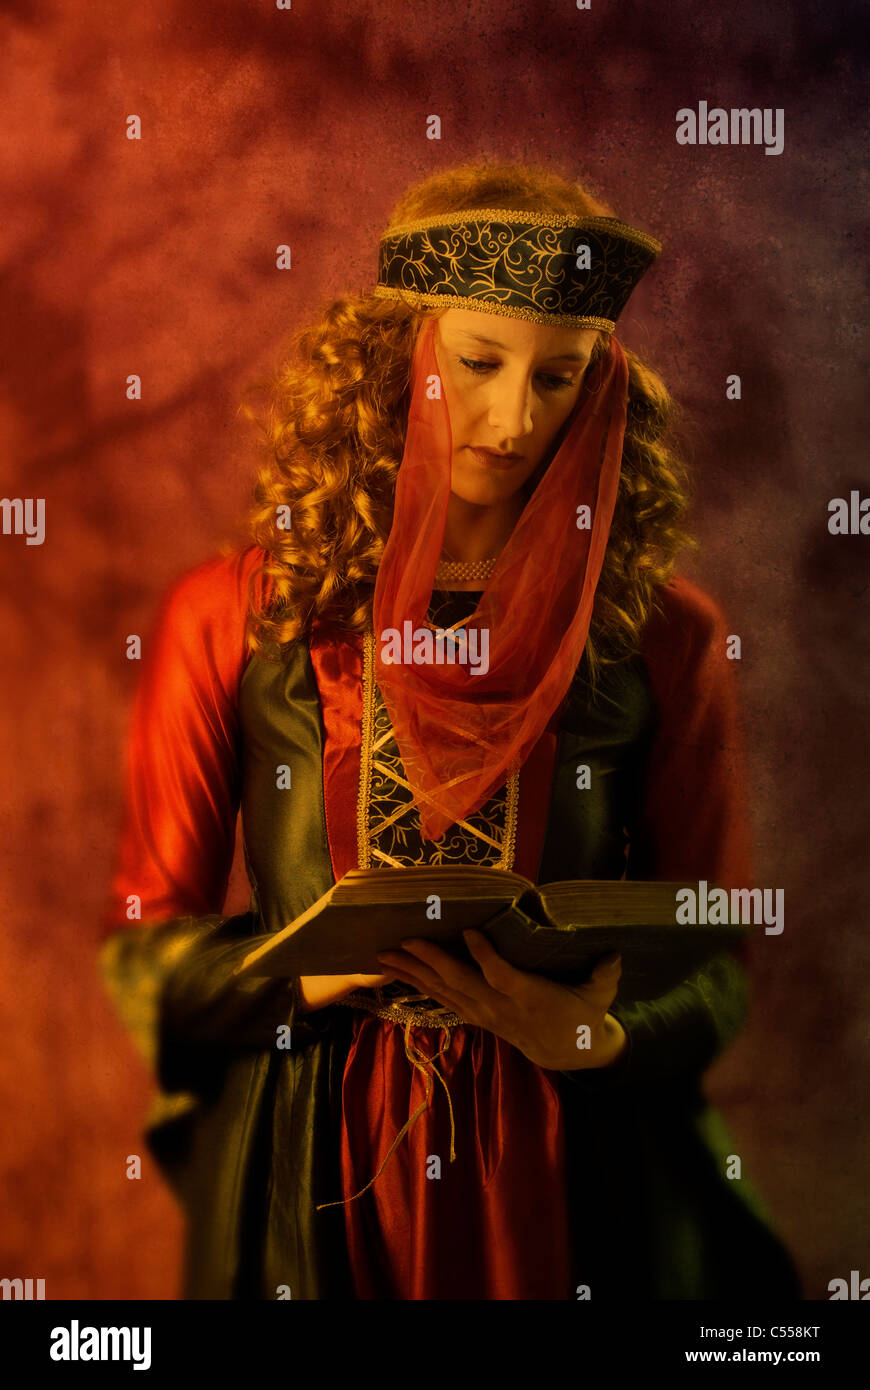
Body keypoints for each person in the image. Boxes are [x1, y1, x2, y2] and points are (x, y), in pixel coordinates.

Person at [99, 161, 801, 1300]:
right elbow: (147, 957)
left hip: (571, 1170)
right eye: (477, 364)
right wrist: (309, 975)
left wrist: (592, 1037)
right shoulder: (236, 616)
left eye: (559, 377)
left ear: (602, 387)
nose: (515, 417)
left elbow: (716, 945)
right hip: (312, 1162)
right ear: (396, 358)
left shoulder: (660, 635)